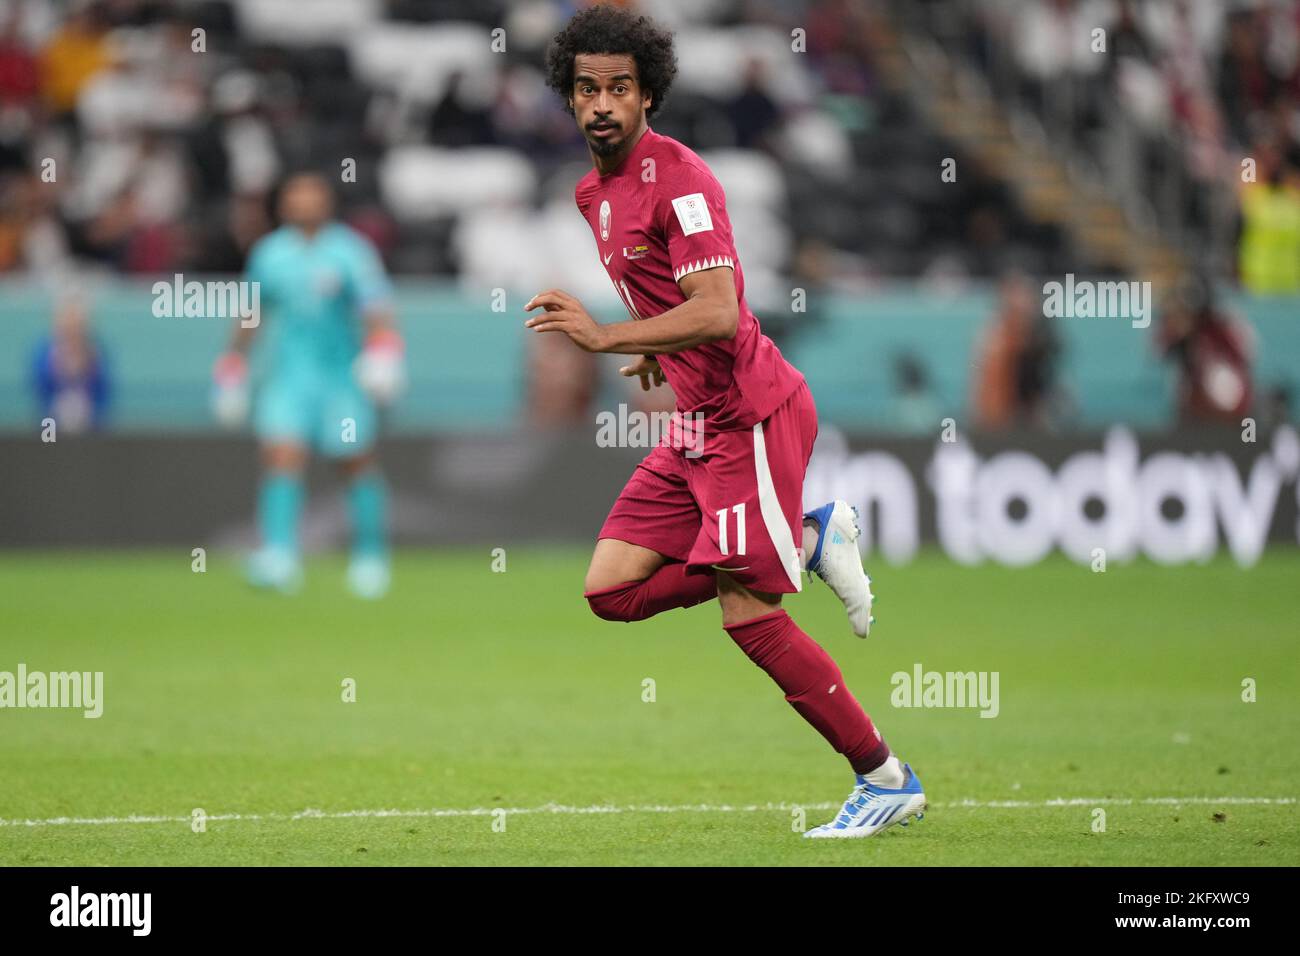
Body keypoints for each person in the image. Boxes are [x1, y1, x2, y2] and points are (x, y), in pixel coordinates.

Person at [524, 6, 925, 839]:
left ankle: (883, 775)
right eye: (587, 88)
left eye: (620, 89)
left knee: (748, 615)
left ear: (648, 97)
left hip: (750, 413)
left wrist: (608, 338)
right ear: (569, 99)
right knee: (611, 591)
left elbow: (715, 309)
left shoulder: (683, 181)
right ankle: (805, 541)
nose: (602, 104)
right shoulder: (591, 193)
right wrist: (650, 352)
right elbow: (662, 296)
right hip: (696, 420)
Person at [213, 171, 404, 598]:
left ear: (327, 202)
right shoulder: (269, 254)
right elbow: (251, 314)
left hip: (341, 382)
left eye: (312, 195)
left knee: (354, 461)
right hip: (288, 380)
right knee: (281, 457)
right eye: (296, 195)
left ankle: (370, 558)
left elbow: (375, 308)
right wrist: (232, 366)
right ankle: (279, 557)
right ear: (284, 204)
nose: (304, 203)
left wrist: (385, 349)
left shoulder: (351, 252)